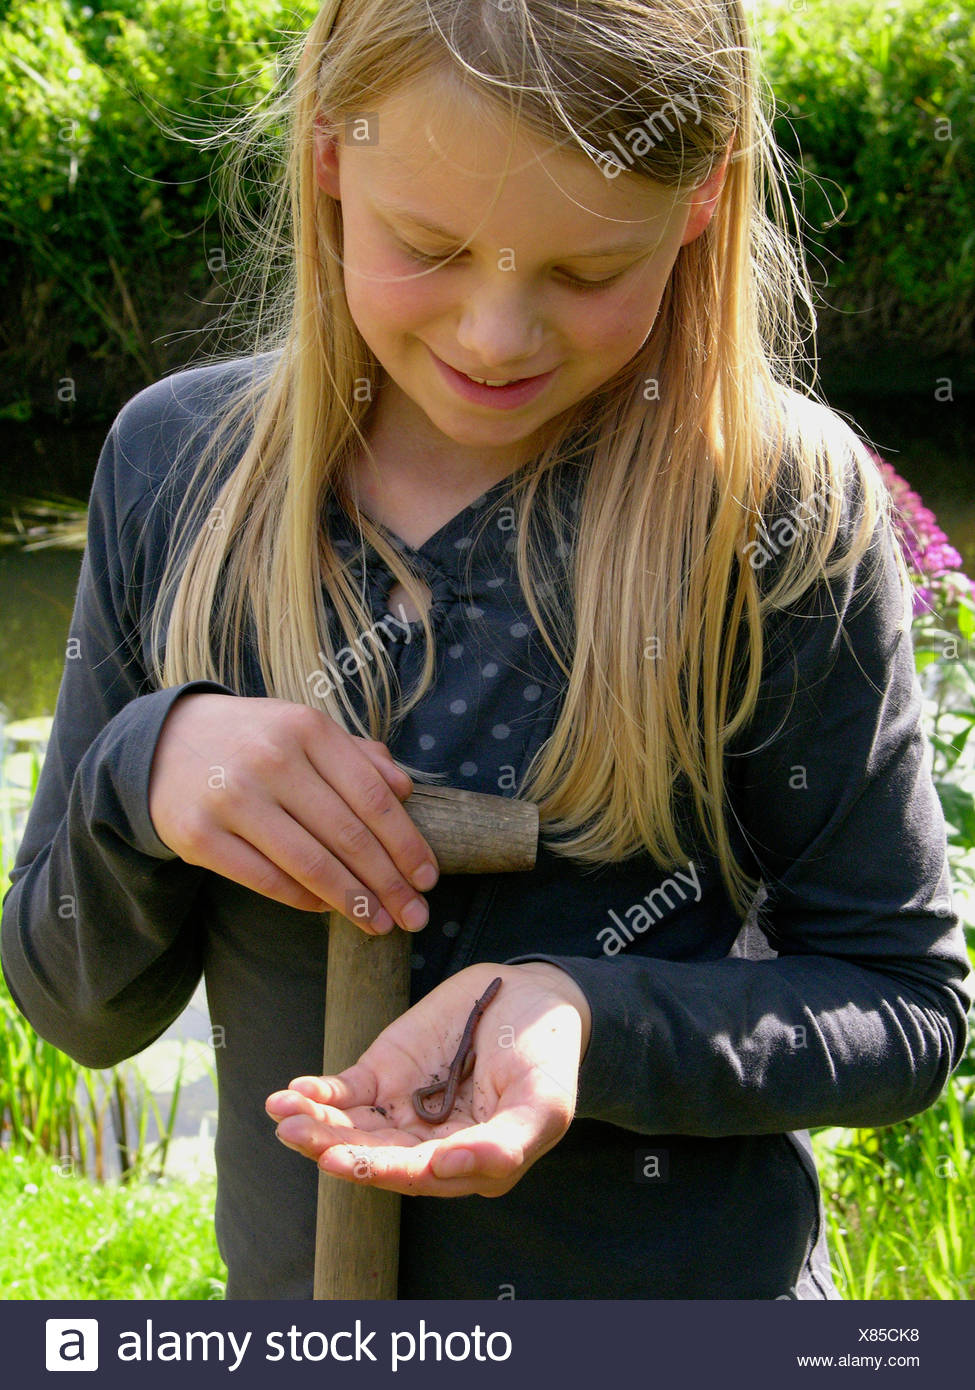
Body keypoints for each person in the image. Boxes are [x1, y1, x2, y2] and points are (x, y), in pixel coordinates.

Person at [2, 0, 972, 1301]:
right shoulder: (177, 469)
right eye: (430, 246)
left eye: (584, 271)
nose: (494, 336)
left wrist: (594, 1020)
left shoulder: (777, 510)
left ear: (700, 202)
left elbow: (902, 1007)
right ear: (330, 153)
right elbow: (76, 1007)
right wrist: (142, 772)